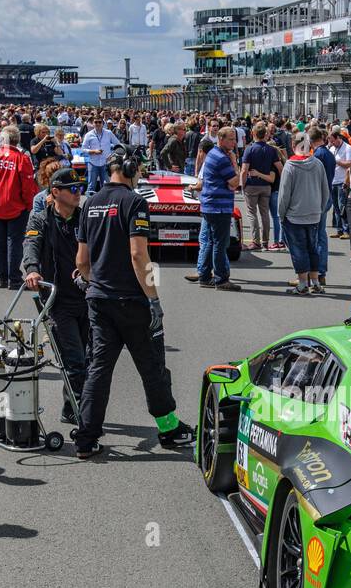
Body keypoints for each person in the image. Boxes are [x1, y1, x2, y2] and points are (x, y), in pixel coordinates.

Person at [74, 147, 194, 458]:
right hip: (132, 300)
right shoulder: (135, 202)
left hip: (98, 299)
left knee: (98, 369)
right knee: (152, 367)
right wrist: (153, 298)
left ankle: (86, 438)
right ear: (129, 169)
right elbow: (140, 256)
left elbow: (82, 261)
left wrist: (94, 285)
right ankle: (168, 430)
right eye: (138, 168)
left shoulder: (90, 203)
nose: (139, 173)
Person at [23, 168, 89, 425]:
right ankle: (78, 412)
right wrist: (32, 270)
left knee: (88, 358)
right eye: (72, 189)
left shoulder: (85, 218)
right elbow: (31, 245)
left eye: (79, 188)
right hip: (57, 301)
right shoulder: (40, 219)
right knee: (74, 359)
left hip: (87, 297)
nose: (78, 193)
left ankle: (71, 406)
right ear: (55, 193)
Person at [0, 126, 36, 290]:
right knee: (14, 243)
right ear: (17, 140)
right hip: (17, 207)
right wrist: (28, 205)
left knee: (0, 243)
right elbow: (27, 186)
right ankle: (14, 279)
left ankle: (2, 278)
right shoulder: (21, 158)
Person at [185, 126, 241, 291]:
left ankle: (204, 276)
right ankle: (221, 279)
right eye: (231, 139)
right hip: (218, 207)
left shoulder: (214, 154)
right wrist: (234, 164)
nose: (234, 142)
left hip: (211, 205)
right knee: (220, 243)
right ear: (221, 139)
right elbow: (234, 183)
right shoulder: (222, 158)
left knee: (209, 241)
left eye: (234, 139)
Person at [277, 131, 329, 294]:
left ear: (294, 146)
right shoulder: (318, 164)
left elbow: (284, 194)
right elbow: (325, 190)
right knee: (312, 248)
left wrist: (281, 214)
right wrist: (319, 208)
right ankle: (315, 281)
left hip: (295, 215)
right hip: (314, 214)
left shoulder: (290, 166)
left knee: (298, 250)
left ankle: (302, 284)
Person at [240, 123, 279, 252]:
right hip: (266, 186)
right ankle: (265, 241)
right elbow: (280, 168)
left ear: (254, 134)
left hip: (251, 185)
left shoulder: (249, 149)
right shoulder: (271, 150)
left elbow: (244, 170)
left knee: (252, 213)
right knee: (264, 214)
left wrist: (242, 185)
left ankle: (256, 241)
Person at [310, 126, 337, 287]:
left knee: (314, 236)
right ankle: (320, 272)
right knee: (320, 235)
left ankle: (316, 272)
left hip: (318, 197)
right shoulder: (328, 154)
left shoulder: (318, 155)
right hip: (327, 195)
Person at [83, 117, 120, 194]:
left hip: (106, 163)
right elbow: (83, 149)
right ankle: (89, 204)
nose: (98, 124)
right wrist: (93, 151)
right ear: (93, 124)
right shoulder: (88, 135)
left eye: (99, 122)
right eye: (96, 122)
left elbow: (118, 144)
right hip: (93, 163)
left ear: (103, 124)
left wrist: (112, 155)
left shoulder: (108, 133)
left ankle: (105, 204)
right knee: (91, 186)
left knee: (106, 185)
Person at [328, 128, 351, 239]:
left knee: (342, 206)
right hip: (333, 181)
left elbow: (350, 163)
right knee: (336, 208)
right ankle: (339, 230)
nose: (332, 143)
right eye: (331, 142)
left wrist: (336, 161)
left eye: (333, 141)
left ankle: (346, 230)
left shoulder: (347, 148)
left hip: (342, 181)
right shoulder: (332, 148)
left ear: (339, 138)